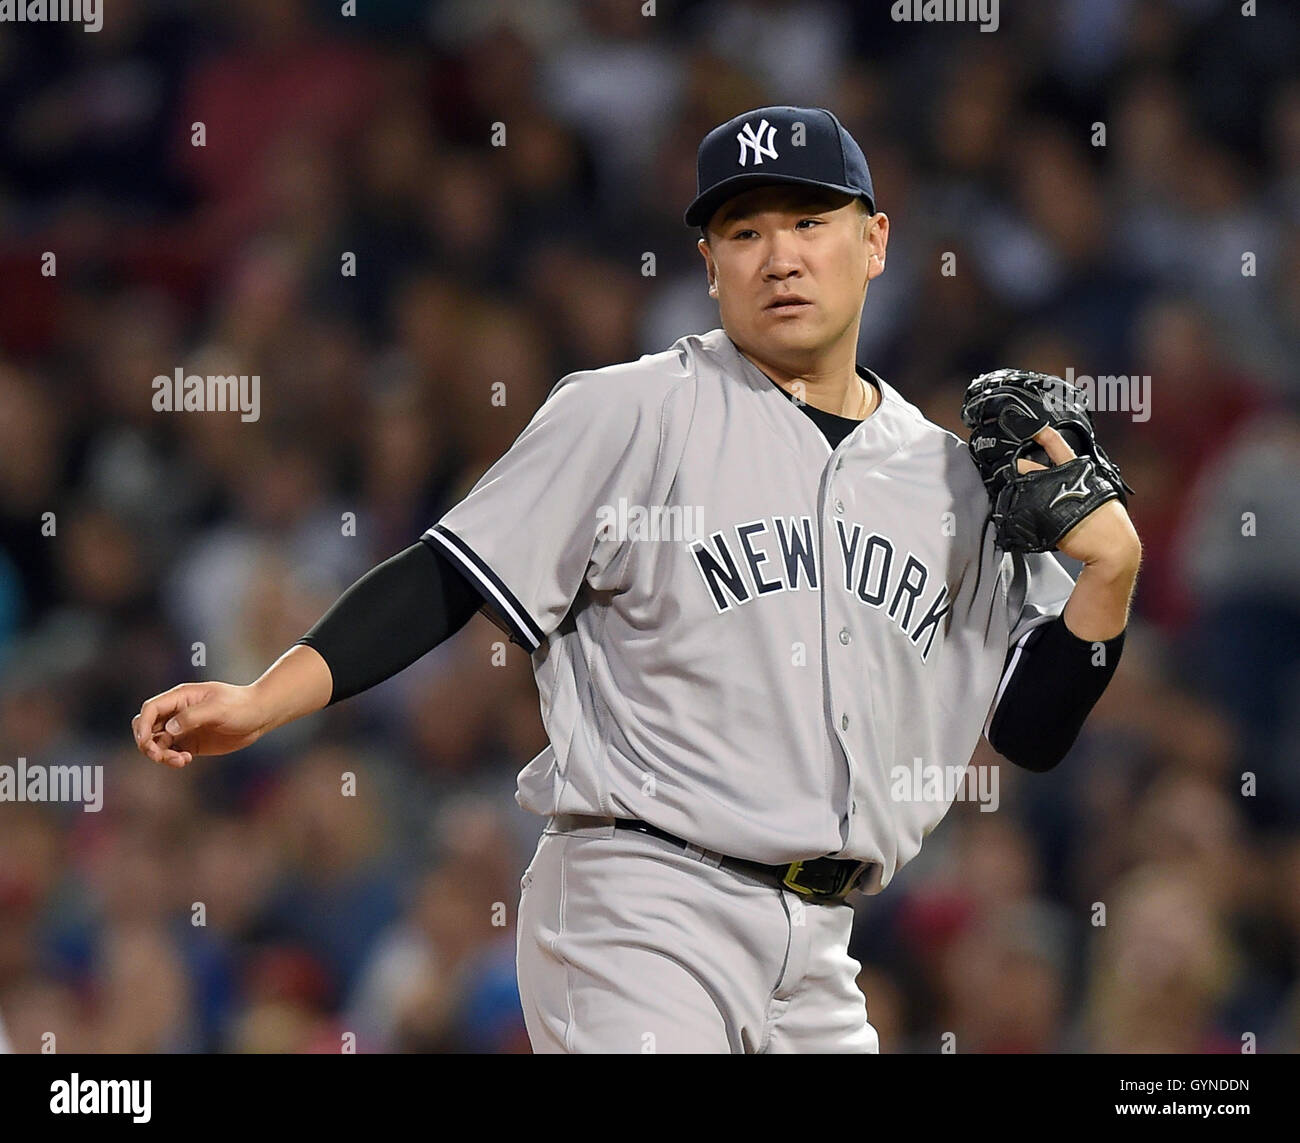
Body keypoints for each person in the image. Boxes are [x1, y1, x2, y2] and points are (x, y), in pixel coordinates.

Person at [133, 106, 1142, 1053]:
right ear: (708, 266)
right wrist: (267, 699)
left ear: (874, 243)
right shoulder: (635, 412)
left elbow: (1030, 730)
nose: (779, 255)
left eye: (807, 221)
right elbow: (445, 576)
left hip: (822, 942)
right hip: (639, 900)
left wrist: (1112, 570)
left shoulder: (944, 480)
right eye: (743, 232)